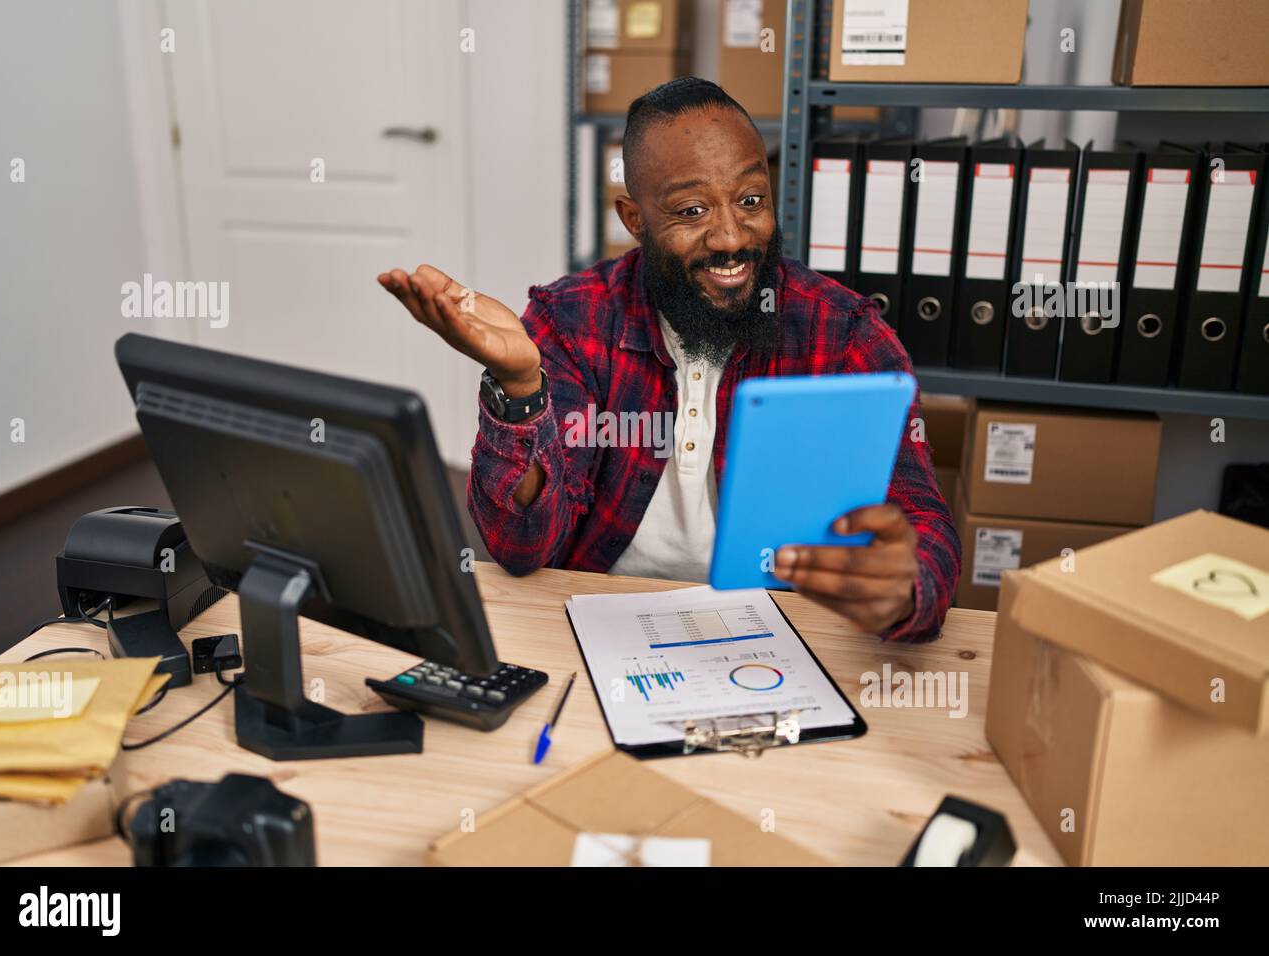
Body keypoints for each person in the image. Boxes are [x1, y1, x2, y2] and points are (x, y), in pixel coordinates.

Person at [379, 77, 959, 642]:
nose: (731, 237)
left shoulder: (844, 334)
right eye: (691, 211)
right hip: (605, 624)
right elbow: (522, 546)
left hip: (788, 631)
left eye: (751, 200)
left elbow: (925, 524)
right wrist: (519, 383)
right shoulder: (571, 322)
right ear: (635, 221)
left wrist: (907, 588)